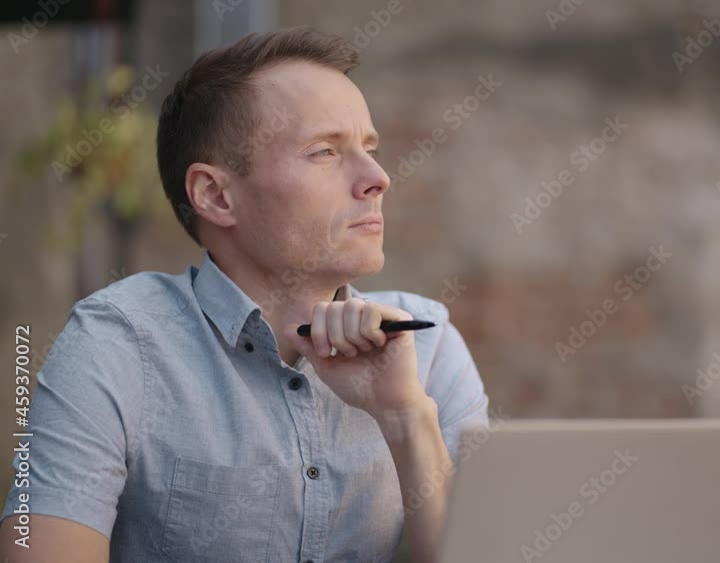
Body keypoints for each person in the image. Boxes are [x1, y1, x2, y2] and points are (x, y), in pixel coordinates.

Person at [0, 27, 490, 563]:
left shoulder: (430, 342)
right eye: (325, 151)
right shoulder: (113, 345)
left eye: (370, 149)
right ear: (215, 195)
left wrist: (406, 419)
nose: (378, 178)